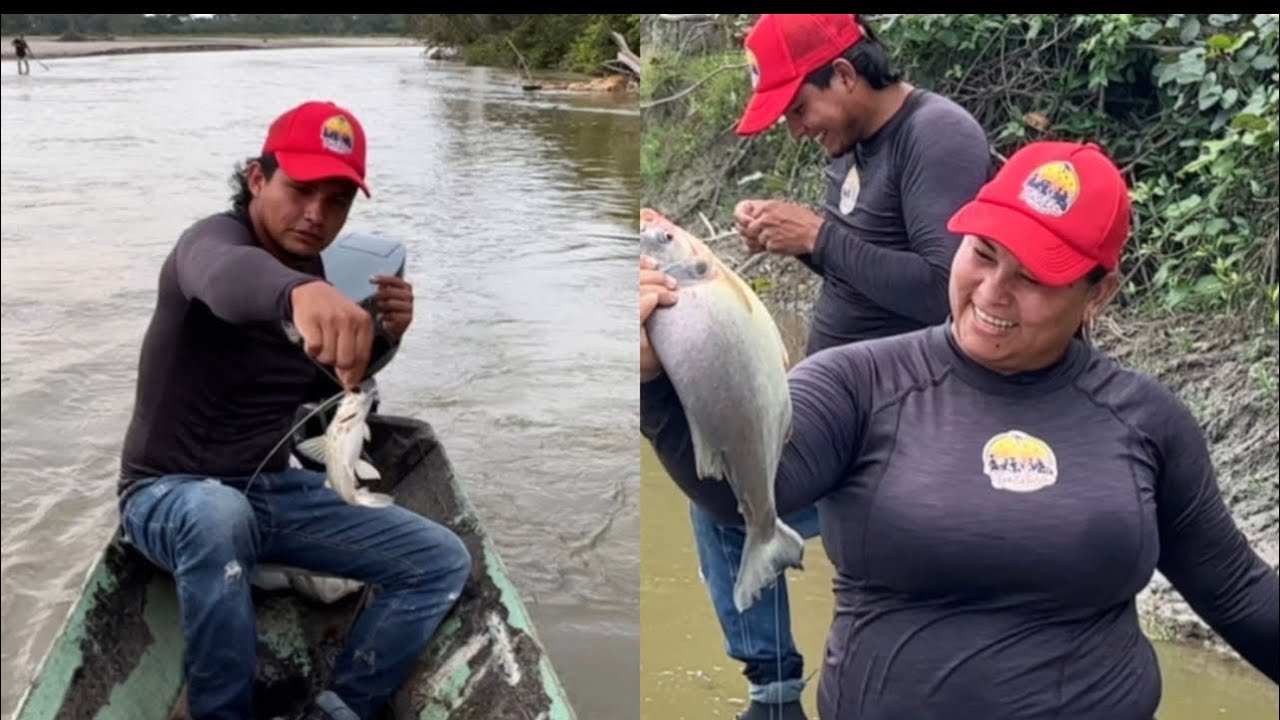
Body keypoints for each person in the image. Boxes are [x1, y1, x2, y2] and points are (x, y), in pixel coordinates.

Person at [641, 139, 1279, 720]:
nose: (994, 292)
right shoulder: (859, 383)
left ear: (1099, 293)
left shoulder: (1144, 417)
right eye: (983, 253)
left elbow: (1237, 590)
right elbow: (741, 497)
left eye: (1033, 276)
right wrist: (655, 385)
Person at [116, 100, 472, 720]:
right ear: (258, 178)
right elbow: (228, 278)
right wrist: (299, 291)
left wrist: (385, 337)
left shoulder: (323, 276)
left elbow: (327, 387)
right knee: (216, 512)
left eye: (336, 200)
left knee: (441, 560)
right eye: (301, 189)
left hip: (269, 492)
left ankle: (339, 706)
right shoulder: (209, 246)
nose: (316, 215)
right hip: (168, 494)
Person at [686, 14, 995, 719]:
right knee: (717, 491)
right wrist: (793, 243)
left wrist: (820, 237)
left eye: (800, 107)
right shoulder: (854, 145)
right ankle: (774, 691)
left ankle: (779, 696)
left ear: (847, 75)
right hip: (841, 400)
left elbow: (947, 292)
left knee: (729, 503)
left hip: (908, 416)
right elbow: (867, 275)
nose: (797, 128)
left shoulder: (937, 136)